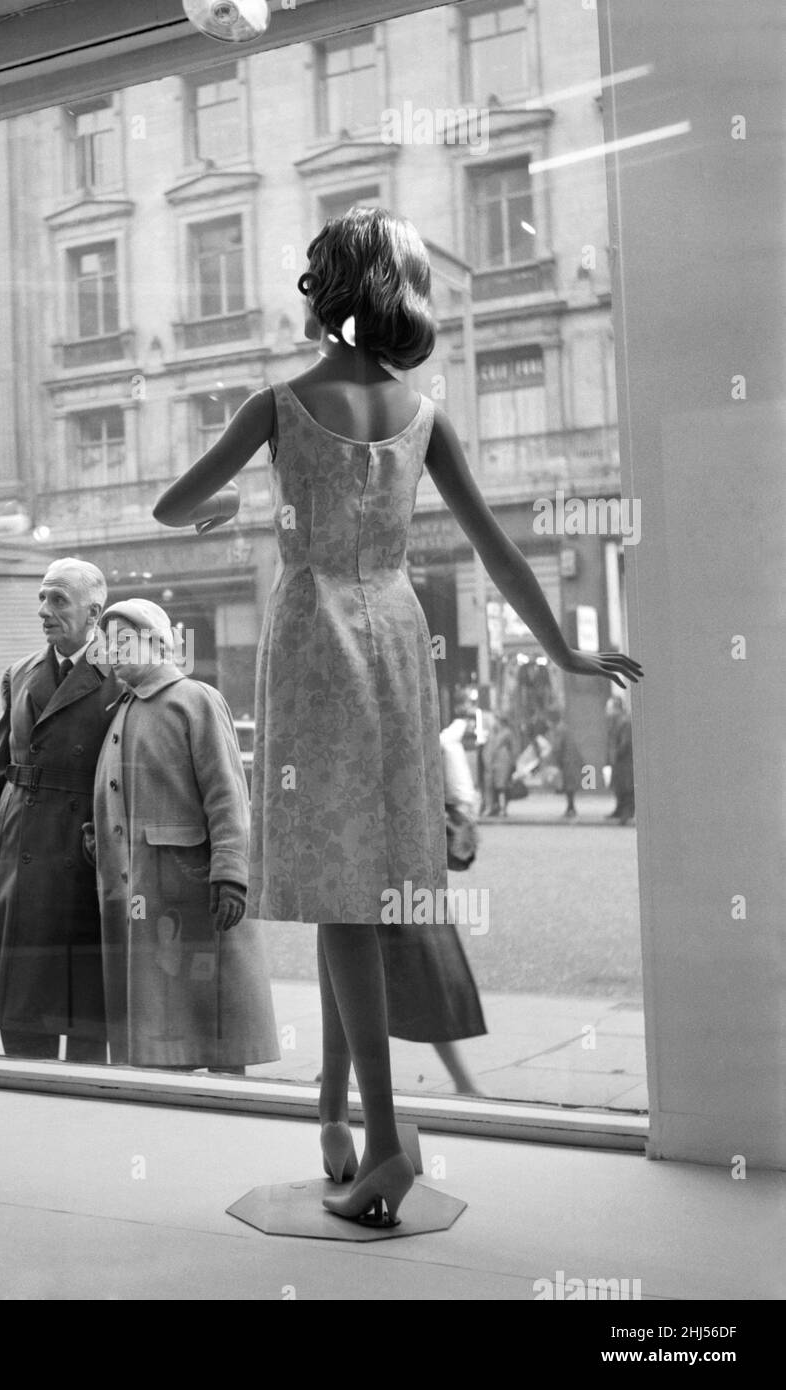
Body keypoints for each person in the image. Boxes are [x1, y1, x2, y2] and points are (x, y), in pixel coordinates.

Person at [153, 206, 643, 1226]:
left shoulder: (279, 404)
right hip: (392, 631)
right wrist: (562, 652)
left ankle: (380, 1142)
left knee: (341, 907)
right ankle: (340, 1118)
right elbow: (496, 553)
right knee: (371, 895)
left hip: (313, 637)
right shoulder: (421, 414)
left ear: (327, 287)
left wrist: (221, 512)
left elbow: (170, 507)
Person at [84, 599, 278, 1071]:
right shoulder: (123, 709)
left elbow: (228, 795)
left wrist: (231, 873)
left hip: (190, 893)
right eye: (108, 642)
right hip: (145, 892)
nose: (111, 651)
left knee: (210, 1021)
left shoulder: (194, 700)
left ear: (157, 643)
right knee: (163, 1023)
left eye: (123, 640)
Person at [0, 558, 121, 1062]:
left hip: (84, 858)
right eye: (42, 597)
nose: (43, 609)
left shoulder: (121, 676)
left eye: (58, 599)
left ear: (94, 612)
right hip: (17, 855)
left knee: (88, 1020)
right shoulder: (21, 674)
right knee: (20, 1014)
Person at [543, 707, 584, 818]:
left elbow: (557, 747)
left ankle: (571, 809)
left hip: (568, 762)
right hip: (569, 761)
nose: (547, 723)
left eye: (548, 720)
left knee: (569, 786)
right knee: (568, 786)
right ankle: (570, 808)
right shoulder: (561, 728)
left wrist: (549, 758)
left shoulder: (559, 730)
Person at [606, 696, 636, 824]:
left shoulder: (624, 722)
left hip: (625, 761)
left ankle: (627, 812)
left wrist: (616, 753)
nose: (606, 710)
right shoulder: (615, 721)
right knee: (619, 786)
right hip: (618, 761)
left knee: (626, 786)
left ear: (616, 708)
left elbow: (625, 742)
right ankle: (619, 809)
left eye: (609, 707)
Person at [483, 713, 517, 817]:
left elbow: (513, 748)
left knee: (501, 786)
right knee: (496, 786)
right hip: (496, 762)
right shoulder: (496, 733)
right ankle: (497, 807)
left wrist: (513, 762)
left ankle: (502, 808)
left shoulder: (506, 733)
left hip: (502, 762)